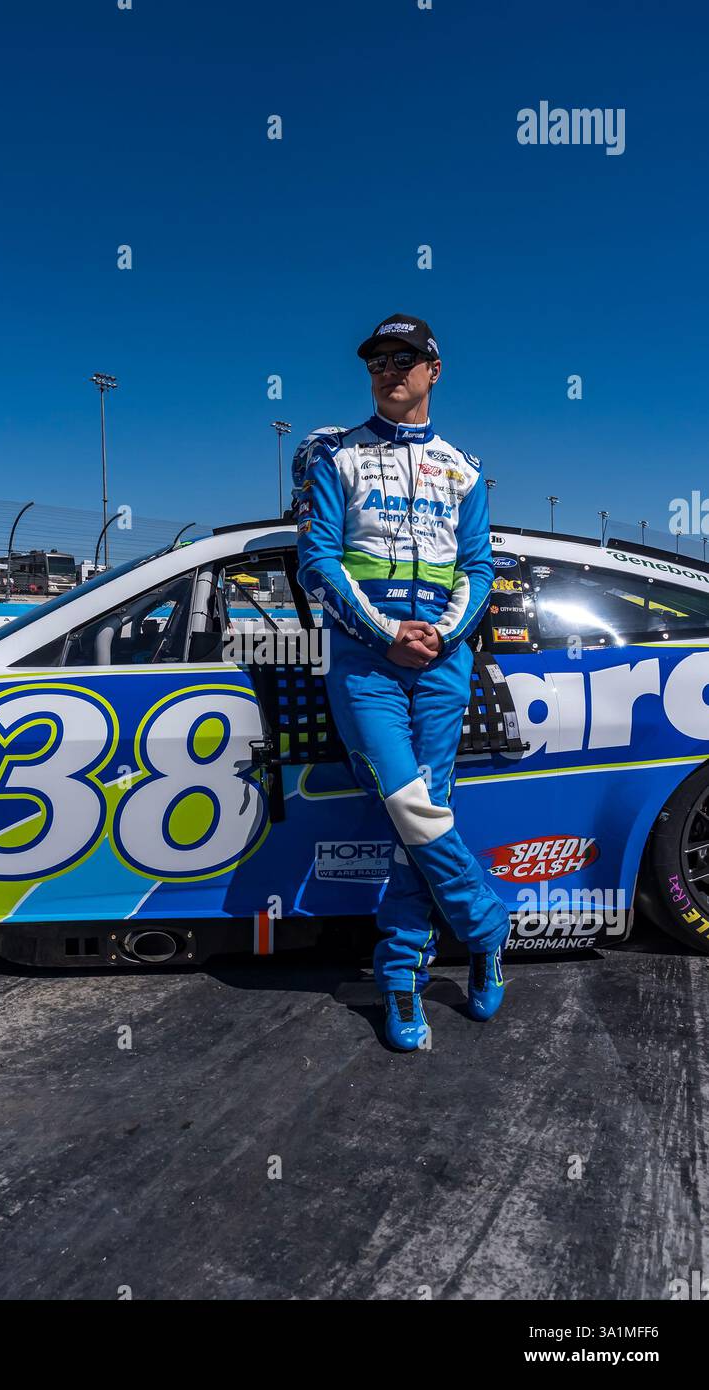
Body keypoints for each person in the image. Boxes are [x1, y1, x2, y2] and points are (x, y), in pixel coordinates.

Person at [292, 314, 511, 1051]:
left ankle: (401, 982)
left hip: (444, 660)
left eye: (404, 358)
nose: (389, 369)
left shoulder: (466, 467)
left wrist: (443, 635)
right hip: (367, 662)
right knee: (411, 806)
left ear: (433, 370)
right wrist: (389, 634)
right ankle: (485, 927)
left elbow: (480, 569)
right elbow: (317, 563)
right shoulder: (337, 458)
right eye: (378, 360)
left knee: (421, 817)